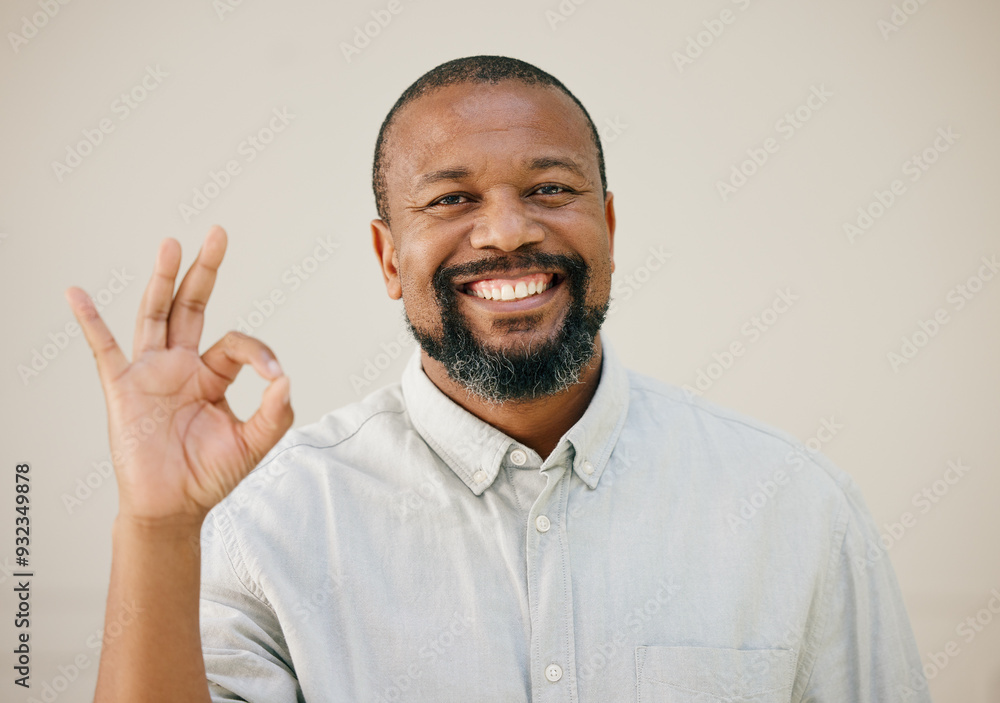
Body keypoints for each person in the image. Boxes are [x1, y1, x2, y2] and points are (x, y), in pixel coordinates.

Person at [68, 55, 933, 702]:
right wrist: (157, 527)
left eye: (550, 188)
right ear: (386, 256)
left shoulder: (795, 508)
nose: (508, 232)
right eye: (451, 200)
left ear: (609, 224)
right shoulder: (269, 531)